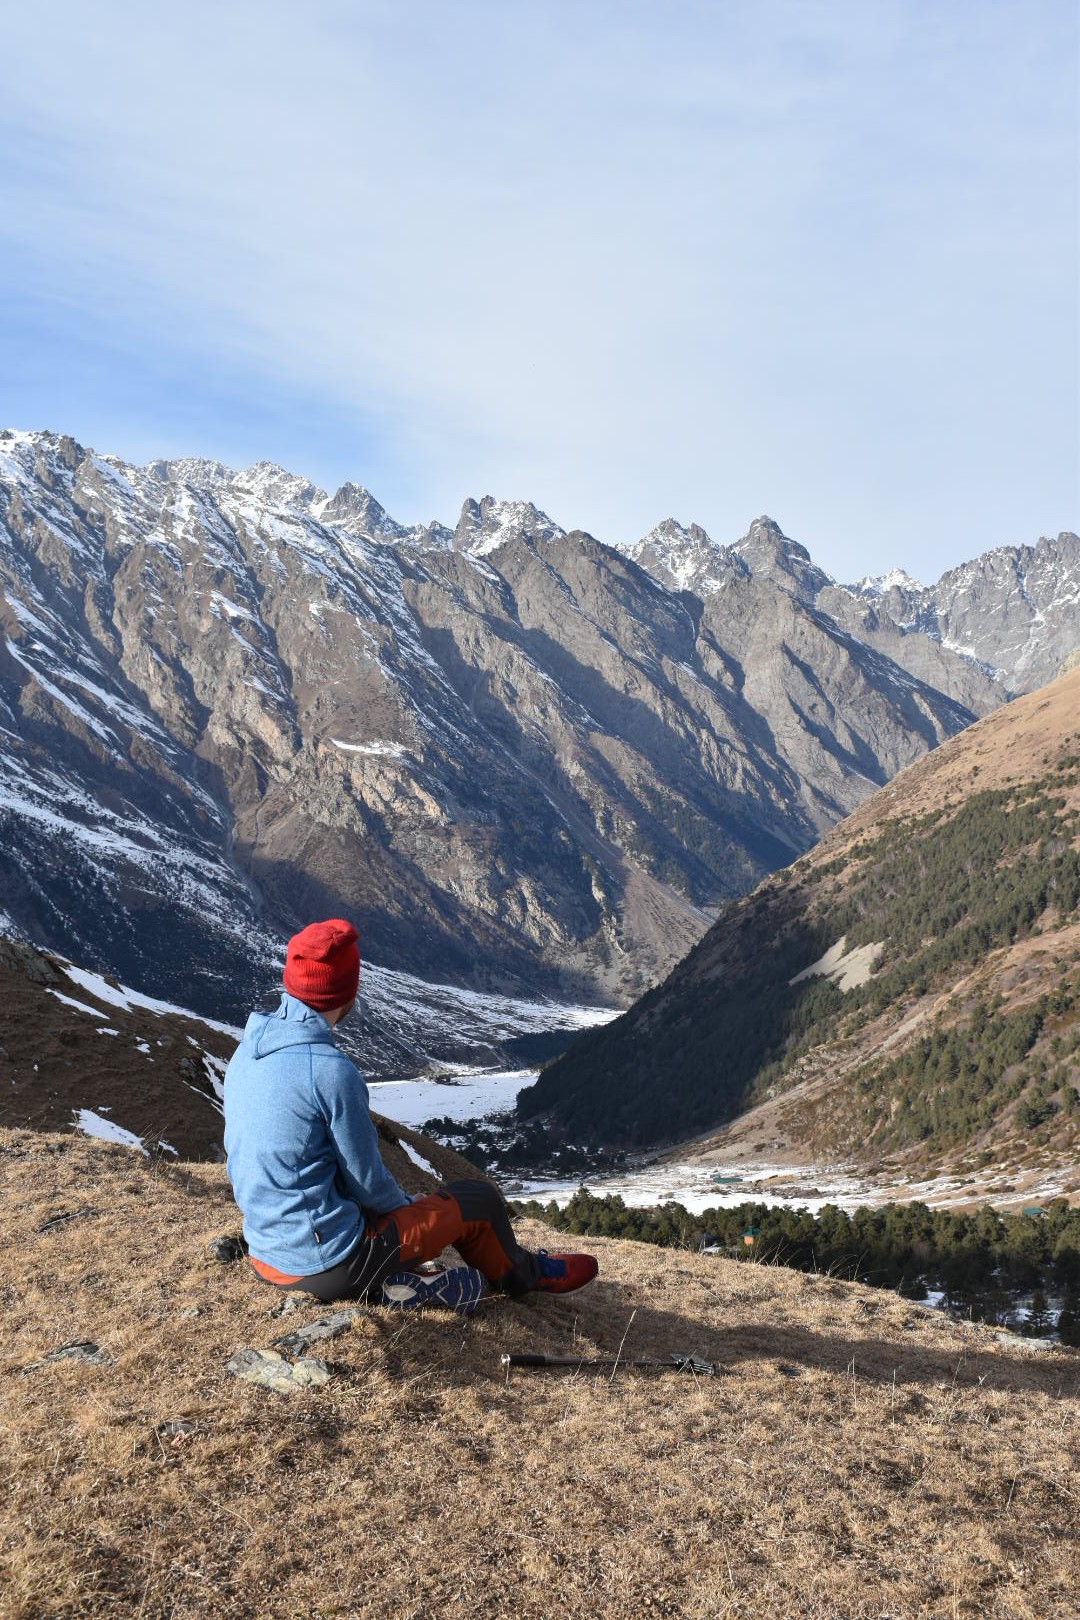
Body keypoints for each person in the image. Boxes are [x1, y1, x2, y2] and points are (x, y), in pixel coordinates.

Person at [222, 918, 598, 1314]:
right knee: (478, 1200)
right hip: (331, 1262)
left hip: (267, 1253)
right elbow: (368, 1183)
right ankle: (527, 1276)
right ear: (347, 990)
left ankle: (405, 1286)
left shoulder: (248, 1049)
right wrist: (409, 1208)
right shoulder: (329, 1071)